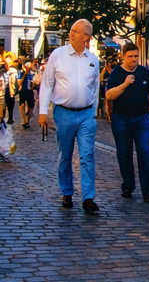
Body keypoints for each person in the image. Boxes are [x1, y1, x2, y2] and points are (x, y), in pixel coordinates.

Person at [39, 19, 102, 214]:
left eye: (75, 31)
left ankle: (88, 198)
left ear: (86, 37)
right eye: (72, 30)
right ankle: (66, 192)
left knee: (87, 156)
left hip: (86, 115)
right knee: (65, 156)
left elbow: (96, 88)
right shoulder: (58, 55)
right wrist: (43, 112)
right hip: (64, 113)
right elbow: (47, 84)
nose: (71, 33)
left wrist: (94, 111)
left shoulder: (93, 59)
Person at [104, 42, 149, 203]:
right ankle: (128, 186)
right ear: (123, 57)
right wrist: (125, 84)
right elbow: (109, 96)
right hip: (121, 118)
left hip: (142, 119)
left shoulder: (143, 72)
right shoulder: (117, 73)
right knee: (124, 154)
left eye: (136, 56)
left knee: (145, 154)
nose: (134, 59)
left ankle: (148, 191)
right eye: (130, 57)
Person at [18, 60, 36, 128]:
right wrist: (25, 74)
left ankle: (27, 119)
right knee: (22, 104)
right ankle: (23, 120)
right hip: (23, 90)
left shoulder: (32, 73)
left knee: (30, 106)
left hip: (30, 91)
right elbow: (19, 83)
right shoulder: (21, 73)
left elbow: (35, 82)